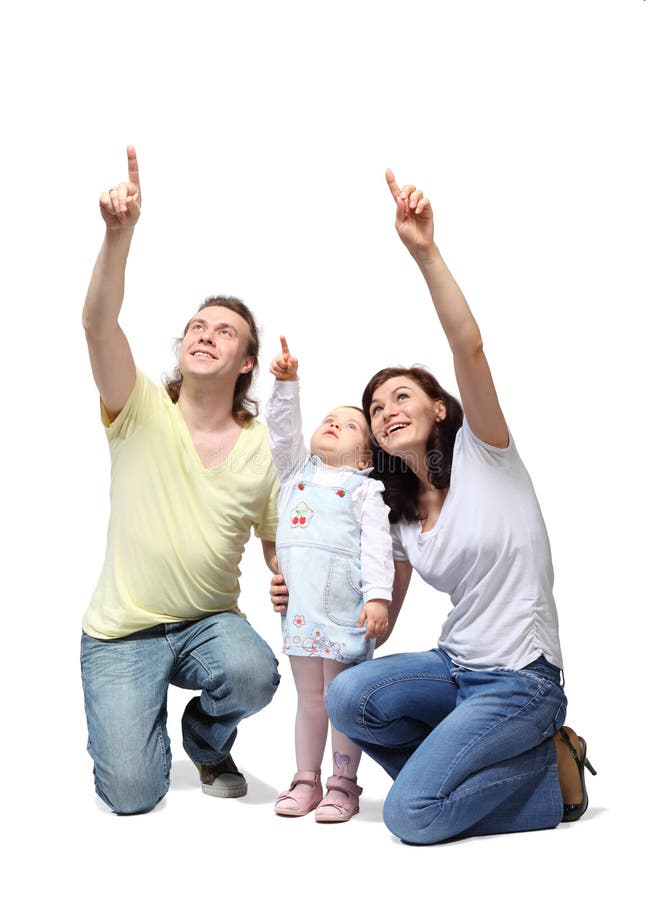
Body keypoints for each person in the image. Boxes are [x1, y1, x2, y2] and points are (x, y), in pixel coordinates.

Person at [273, 169, 597, 844]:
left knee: (411, 817)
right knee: (347, 694)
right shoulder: (392, 512)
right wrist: (304, 586)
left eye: (400, 396)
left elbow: (468, 346)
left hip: (522, 681)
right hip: (454, 669)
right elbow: (377, 625)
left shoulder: (487, 453)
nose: (384, 410)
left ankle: (548, 771)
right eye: (374, 406)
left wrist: (424, 251)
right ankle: (465, 766)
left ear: (437, 407)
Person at [80, 146, 281, 815]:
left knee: (253, 673)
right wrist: (119, 235)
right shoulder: (137, 408)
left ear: (244, 360)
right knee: (133, 795)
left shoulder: (263, 449)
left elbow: (281, 537)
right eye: (197, 326)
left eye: (224, 332)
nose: (205, 334)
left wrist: (288, 577)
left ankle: (205, 737)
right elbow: (98, 324)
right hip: (123, 633)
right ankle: (135, 729)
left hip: (206, 624)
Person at [265, 337, 393, 822]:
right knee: (308, 698)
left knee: (339, 700)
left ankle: (343, 783)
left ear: (365, 457)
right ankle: (305, 778)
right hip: (300, 614)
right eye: (330, 419)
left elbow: (378, 548)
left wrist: (378, 599)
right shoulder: (295, 474)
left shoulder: (364, 490)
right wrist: (286, 383)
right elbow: (281, 431)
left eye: (351, 424)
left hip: (345, 612)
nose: (335, 423)